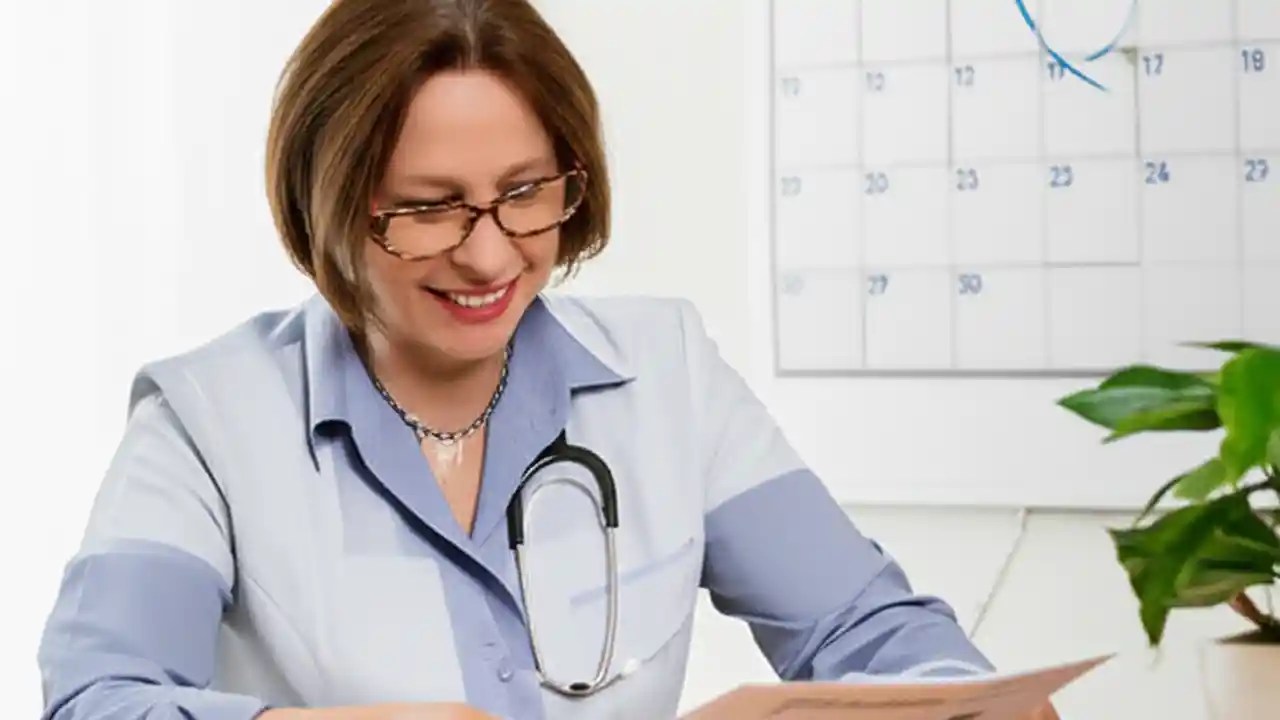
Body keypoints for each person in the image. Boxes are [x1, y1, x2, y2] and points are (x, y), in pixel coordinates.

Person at [37, 1, 1058, 719]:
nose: (489, 255)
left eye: (526, 193)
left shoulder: (666, 375)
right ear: (327, 199)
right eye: (429, 207)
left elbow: (858, 628)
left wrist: (959, 699)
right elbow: (100, 699)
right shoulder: (204, 420)